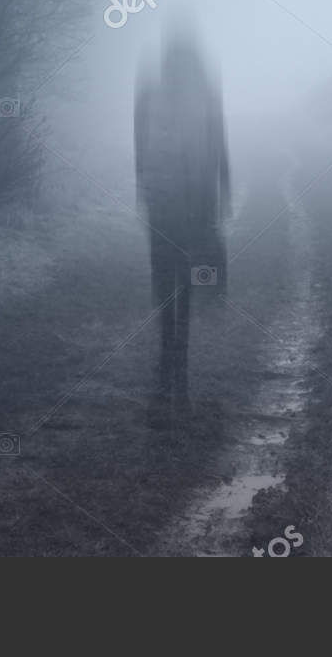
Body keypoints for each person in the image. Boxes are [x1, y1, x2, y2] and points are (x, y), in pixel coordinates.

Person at [133, 26, 230, 425]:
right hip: (194, 201)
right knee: (185, 281)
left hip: (161, 200)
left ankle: (166, 354)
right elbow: (218, 145)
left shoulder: (150, 91)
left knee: (163, 276)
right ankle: (178, 359)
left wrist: (143, 188)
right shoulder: (205, 92)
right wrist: (222, 193)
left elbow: (139, 148)